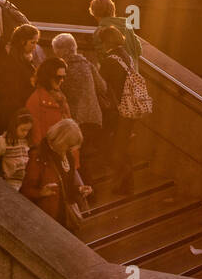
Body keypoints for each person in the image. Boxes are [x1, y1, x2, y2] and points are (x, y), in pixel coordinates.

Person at [21, 118, 92, 229]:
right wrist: (41, 193)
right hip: (48, 220)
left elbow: (66, 187)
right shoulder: (38, 157)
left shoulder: (67, 155)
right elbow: (25, 191)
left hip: (64, 217)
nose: (71, 149)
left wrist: (79, 190)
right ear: (61, 140)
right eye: (69, 145)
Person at [51, 32, 104, 164]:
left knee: (79, 159)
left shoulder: (62, 70)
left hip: (76, 121)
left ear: (59, 51)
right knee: (87, 157)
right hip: (94, 118)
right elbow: (103, 87)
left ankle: (85, 184)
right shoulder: (87, 64)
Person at [98, 24, 138, 193]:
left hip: (117, 111)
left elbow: (102, 86)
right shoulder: (126, 56)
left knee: (112, 147)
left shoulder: (109, 61)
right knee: (122, 146)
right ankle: (127, 185)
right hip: (130, 109)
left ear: (106, 42)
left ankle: (125, 181)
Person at [0, 24, 42, 133]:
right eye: (32, 42)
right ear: (22, 41)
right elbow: (11, 93)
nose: (35, 47)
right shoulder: (8, 63)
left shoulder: (25, 60)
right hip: (12, 116)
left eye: (36, 42)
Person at [25, 57, 72, 149]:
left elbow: (70, 130)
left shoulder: (61, 98)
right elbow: (36, 138)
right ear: (48, 77)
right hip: (48, 154)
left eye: (64, 77)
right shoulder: (35, 100)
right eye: (58, 77)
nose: (62, 80)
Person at [89, 0, 142, 71]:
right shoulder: (127, 25)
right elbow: (138, 51)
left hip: (115, 78)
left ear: (94, 13)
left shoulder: (99, 32)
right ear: (113, 9)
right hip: (133, 79)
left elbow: (103, 59)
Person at [0, 110, 34, 191]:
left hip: (23, 182)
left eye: (28, 130)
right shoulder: (5, 141)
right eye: (23, 130)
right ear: (15, 126)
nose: (25, 133)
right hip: (10, 182)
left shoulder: (26, 142)